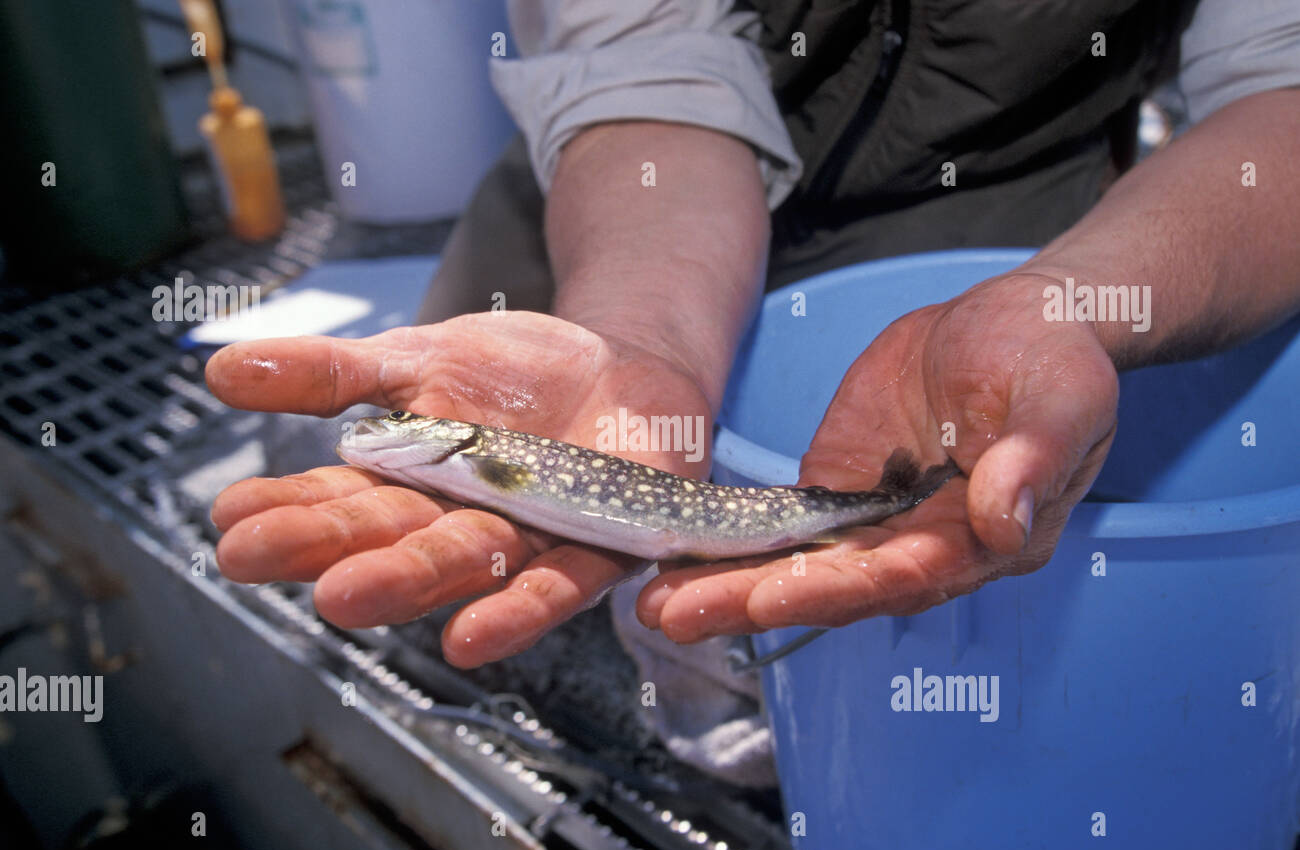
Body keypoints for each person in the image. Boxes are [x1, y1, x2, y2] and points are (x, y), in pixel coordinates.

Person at [205, 0, 1300, 673]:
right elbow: (641, 63)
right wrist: (643, 338)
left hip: (1020, 214)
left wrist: (1068, 301)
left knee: (900, 603)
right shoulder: (475, 438)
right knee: (511, 603)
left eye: (381, 430)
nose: (376, 432)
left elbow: (1282, 89)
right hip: (625, 219)